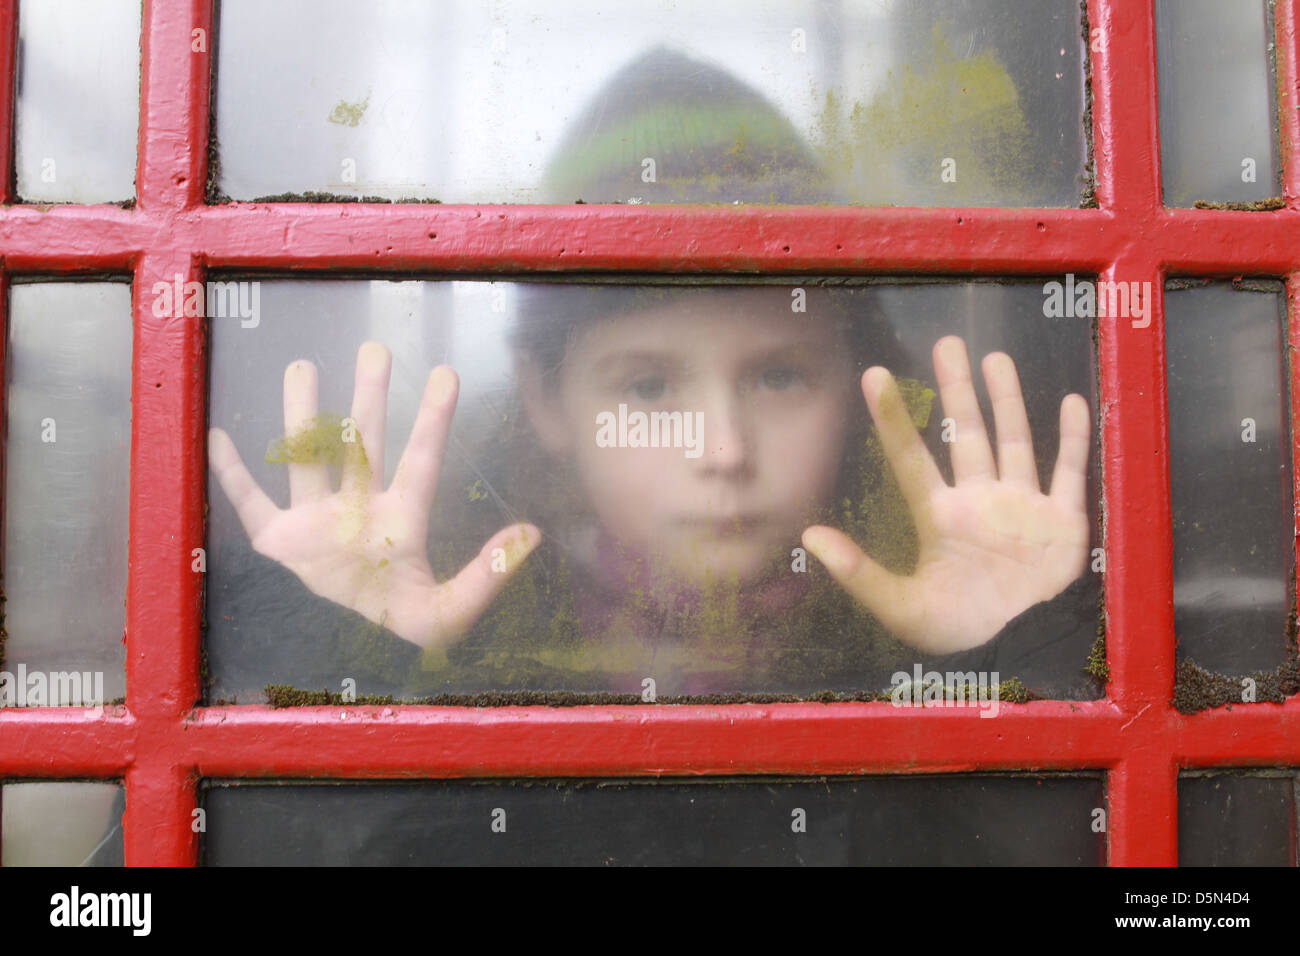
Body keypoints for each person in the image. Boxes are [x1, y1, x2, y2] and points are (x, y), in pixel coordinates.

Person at [205, 47, 1100, 702]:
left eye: (779, 378)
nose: (724, 452)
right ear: (546, 398)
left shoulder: (928, 634)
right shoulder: (455, 640)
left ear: (856, 380)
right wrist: (337, 658)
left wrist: (1011, 651)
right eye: (648, 388)